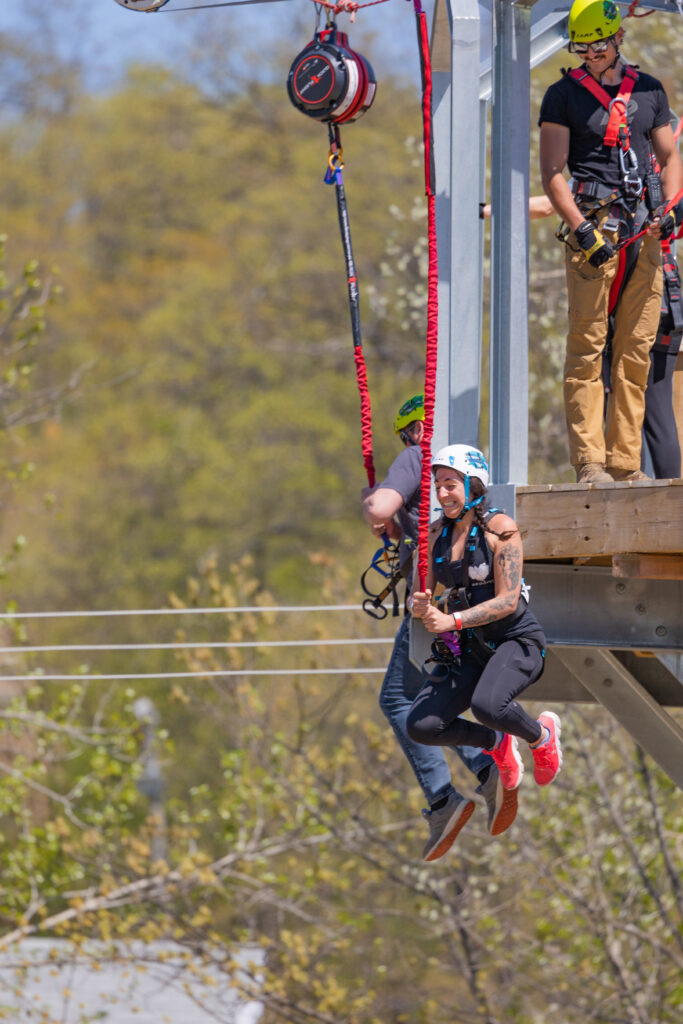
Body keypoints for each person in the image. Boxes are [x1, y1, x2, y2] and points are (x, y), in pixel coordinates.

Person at [361, 396, 518, 862]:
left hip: (434, 608)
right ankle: (480, 768)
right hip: (449, 603)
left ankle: (456, 787)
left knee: (397, 698)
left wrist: (377, 505)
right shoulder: (452, 483)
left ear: (412, 430)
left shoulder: (416, 458)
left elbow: (379, 504)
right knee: (421, 702)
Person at [539, 0, 683, 484]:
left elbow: (668, 157)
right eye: (581, 47)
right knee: (587, 346)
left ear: (618, 37)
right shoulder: (563, 95)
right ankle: (591, 463)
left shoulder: (649, 91)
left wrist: (672, 204)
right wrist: (580, 227)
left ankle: (625, 462)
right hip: (595, 230)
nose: (589, 55)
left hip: (644, 231)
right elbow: (553, 173)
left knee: (635, 348)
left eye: (597, 46)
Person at [407, 445, 562, 791]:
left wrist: (453, 620)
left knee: (487, 706)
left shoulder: (500, 529)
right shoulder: (434, 536)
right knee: (421, 725)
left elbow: (508, 601)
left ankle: (541, 736)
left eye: (451, 484)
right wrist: (419, 605)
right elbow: (421, 596)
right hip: (470, 649)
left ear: (473, 485)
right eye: (438, 485)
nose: (442, 493)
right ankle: (496, 743)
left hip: (515, 642)